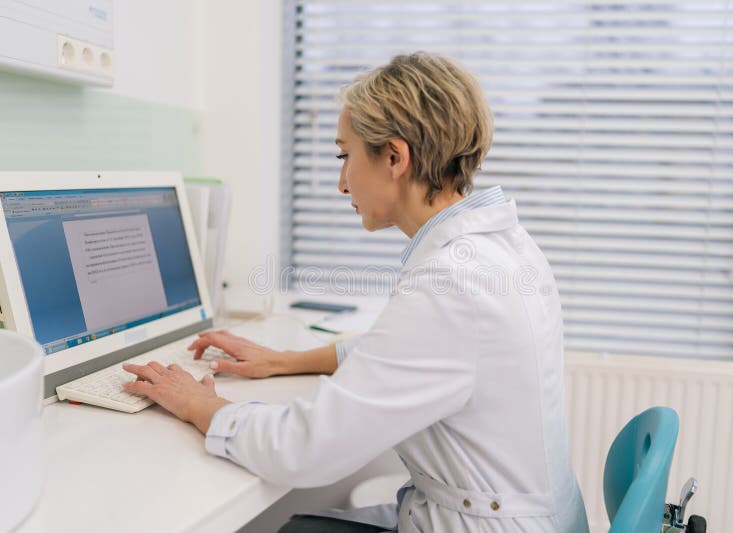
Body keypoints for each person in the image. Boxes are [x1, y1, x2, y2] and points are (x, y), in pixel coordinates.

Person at [122, 52, 590, 533]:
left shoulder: (454, 283)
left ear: (395, 157)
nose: (342, 183)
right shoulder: (500, 247)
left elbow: (305, 450)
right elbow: (415, 351)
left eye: (345, 156)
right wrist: (286, 361)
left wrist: (202, 406)